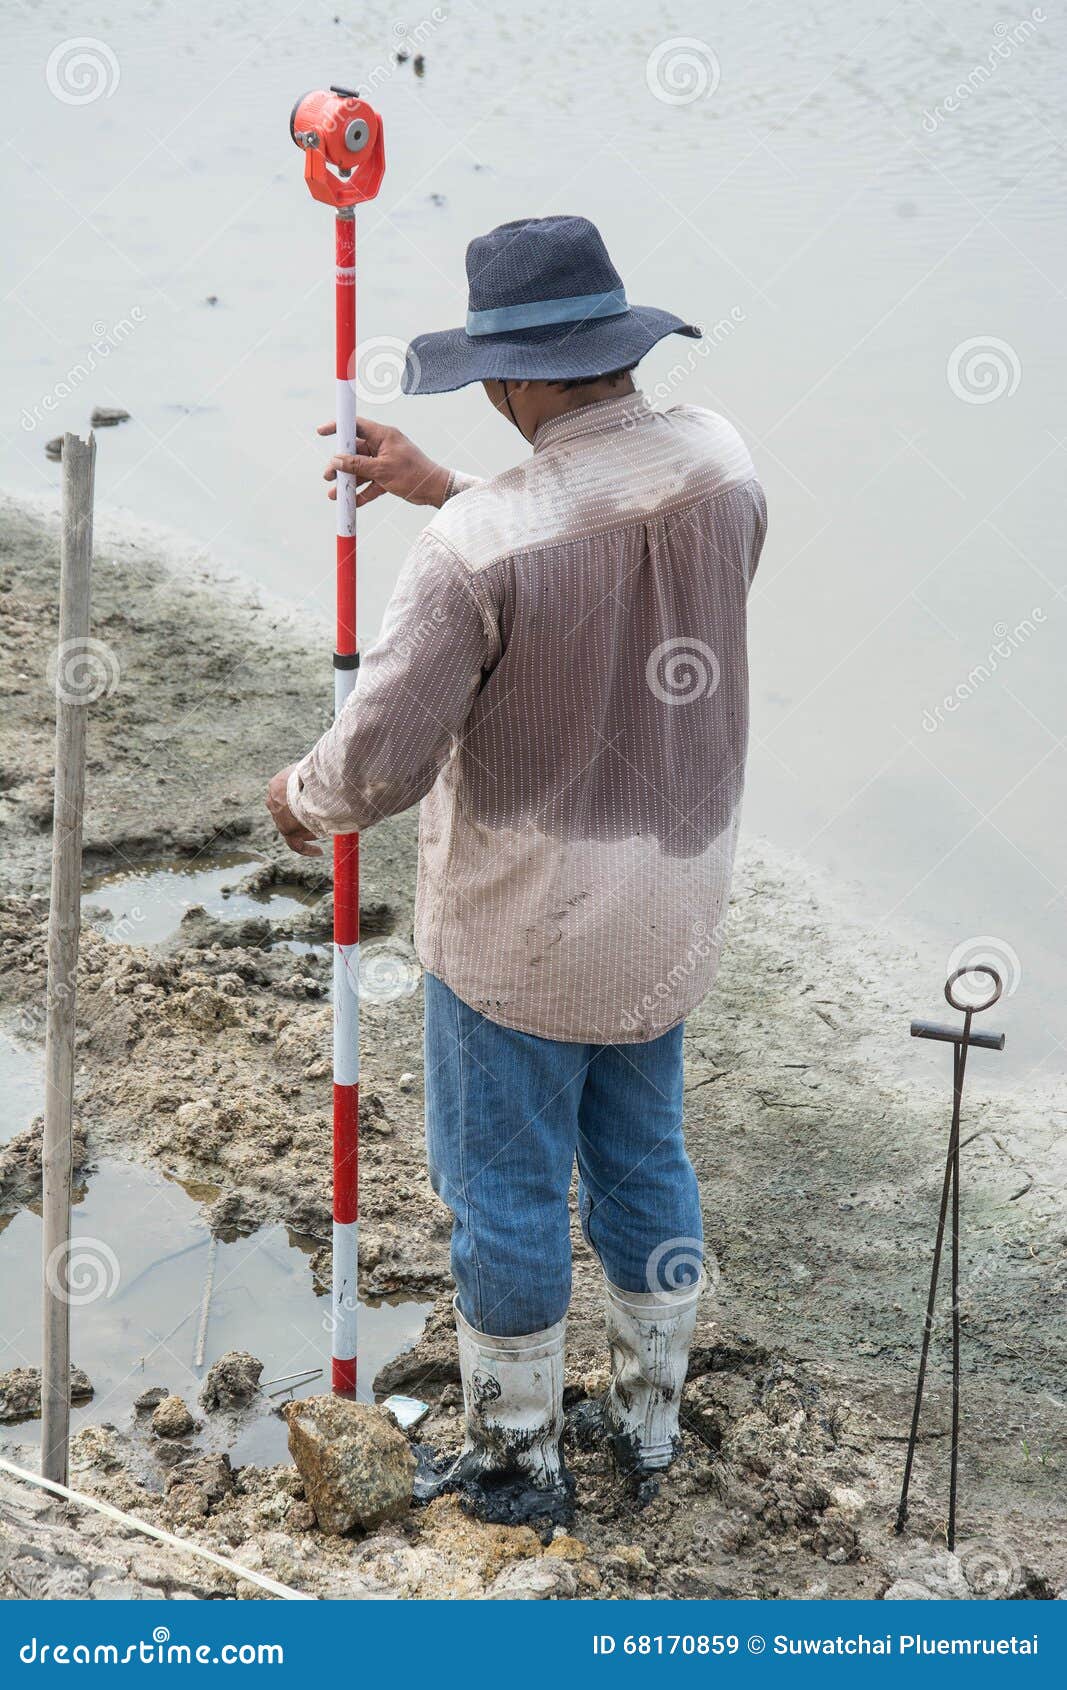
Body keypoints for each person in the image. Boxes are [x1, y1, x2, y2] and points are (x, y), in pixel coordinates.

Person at [267, 214, 766, 1517]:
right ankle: (649, 1423)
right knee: (645, 1158)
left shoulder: (475, 550)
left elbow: (382, 762)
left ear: (508, 379)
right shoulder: (722, 463)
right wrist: (450, 486)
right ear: (622, 344)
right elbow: (607, 568)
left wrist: (299, 794)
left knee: (505, 1195)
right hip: (672, 906)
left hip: (522, 938)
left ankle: (514, 1460)